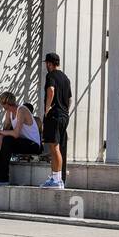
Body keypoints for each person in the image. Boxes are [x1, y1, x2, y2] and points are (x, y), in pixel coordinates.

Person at [0, 92, 42, 185]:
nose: (2, 106)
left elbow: (16, 134)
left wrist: (1, 133)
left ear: (6, 103)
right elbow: (6, 128)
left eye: (2, 104)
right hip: (21, 142)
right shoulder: (9, 112)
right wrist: (0, 135)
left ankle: (4, 177)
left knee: (7, 141)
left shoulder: (21, 110)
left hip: (33, 144)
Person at [40, 52, 71, 189]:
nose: (46, 66)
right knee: (56, 146)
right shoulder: (66, 78)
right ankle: (55, 177)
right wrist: (66, 110)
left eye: (47, 63)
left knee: (54, 147)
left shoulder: (51, 75)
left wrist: (47, 109)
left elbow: (51, 90)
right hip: (64, 115)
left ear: (50, 63)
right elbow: (70, 99)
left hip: (54, 115)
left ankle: (57, 179)